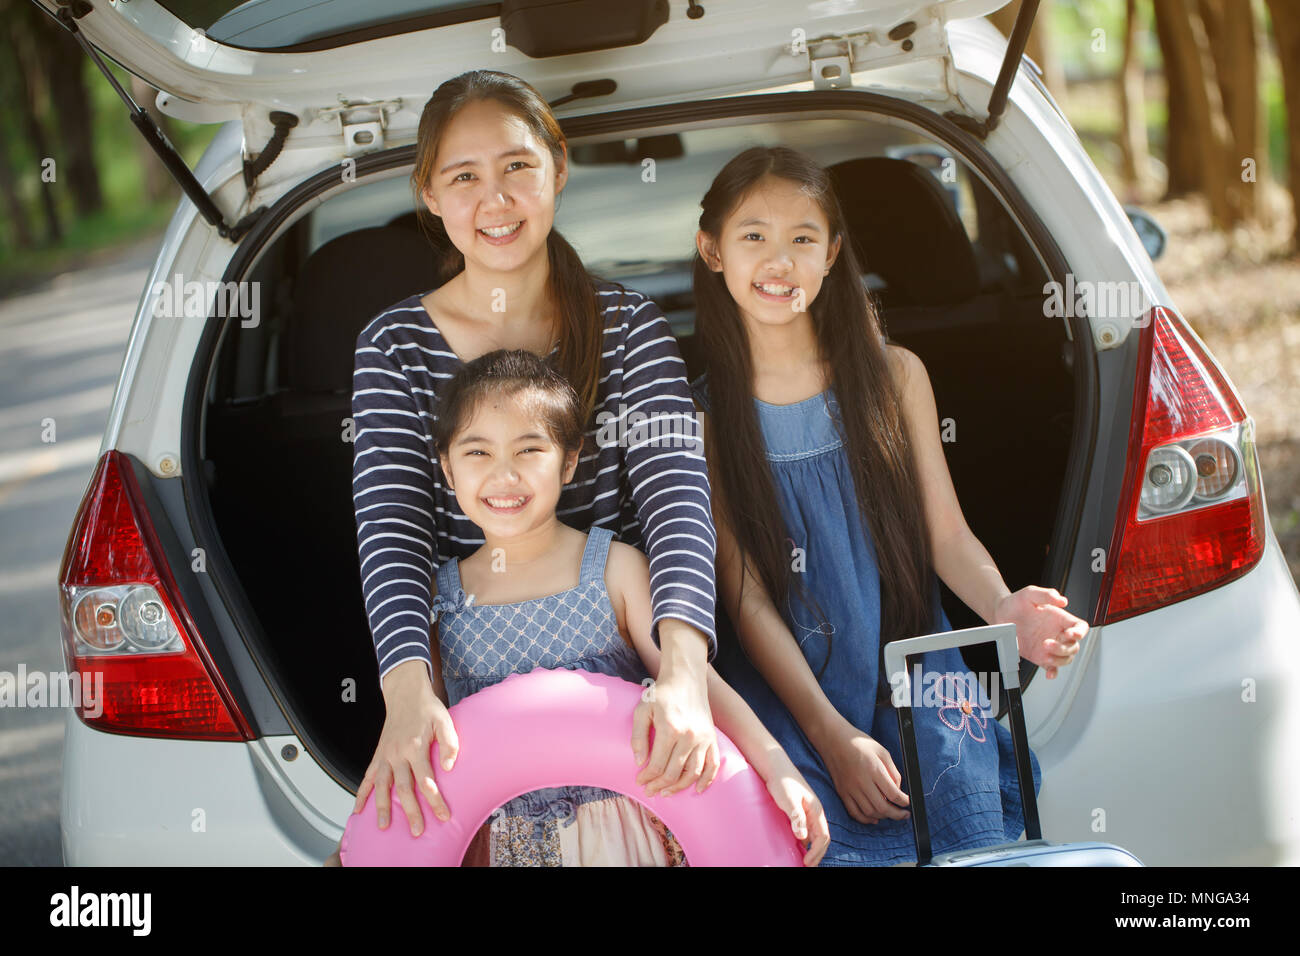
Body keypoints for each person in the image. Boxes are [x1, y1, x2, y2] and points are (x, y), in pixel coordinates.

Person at [329, 71, 719, 865]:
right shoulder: (392, 344)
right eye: (464, 178)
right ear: (429, 196)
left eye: (517, 167)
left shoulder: (630, 324)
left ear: (558, 168)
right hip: (477, 710)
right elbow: (393, 531)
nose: (495, 199)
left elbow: (678, 503)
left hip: (627, 688)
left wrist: (681, 674)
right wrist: (407, 695)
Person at [688, 146, 1090, 866]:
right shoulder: (708, 414)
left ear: (833, 253)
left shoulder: (895, 376)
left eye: (803, 239)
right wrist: (828, 735)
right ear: (712, 250)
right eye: (754, 236)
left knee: (963, 843)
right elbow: (744, 597)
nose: (779, 261)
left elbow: (946, 534)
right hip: (794, 697)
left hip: (915, 670)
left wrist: (1002, 608)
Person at [419, 348, 827, 865]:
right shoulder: (440, 600)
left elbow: (698, 686)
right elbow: (418, 735)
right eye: (478, 453)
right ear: (447, 469)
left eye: (529, 450)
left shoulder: (614, 570)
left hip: (629, 834)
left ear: (569, 462)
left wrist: (778, 768)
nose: (504, 475)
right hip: (506, 844)